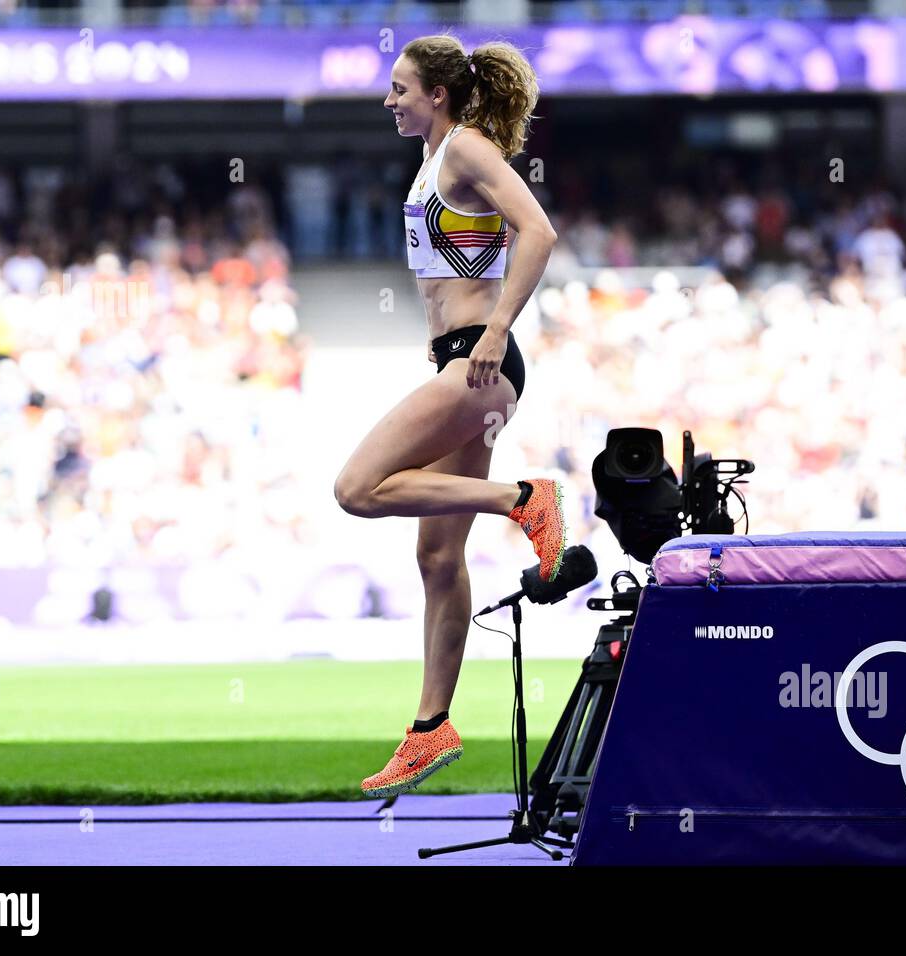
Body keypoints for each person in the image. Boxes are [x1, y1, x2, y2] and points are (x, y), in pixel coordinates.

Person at [333, 34, 568, 798]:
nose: (390, 101)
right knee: (437, 559)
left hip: (481, 359)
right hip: (459, 362)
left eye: (400, 88)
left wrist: (496, 331)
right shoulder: (435, 159)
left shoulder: (465, 148)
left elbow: (538, 230)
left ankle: (522, 501)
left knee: (359, 488)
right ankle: (431, 728)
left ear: (437, 94)